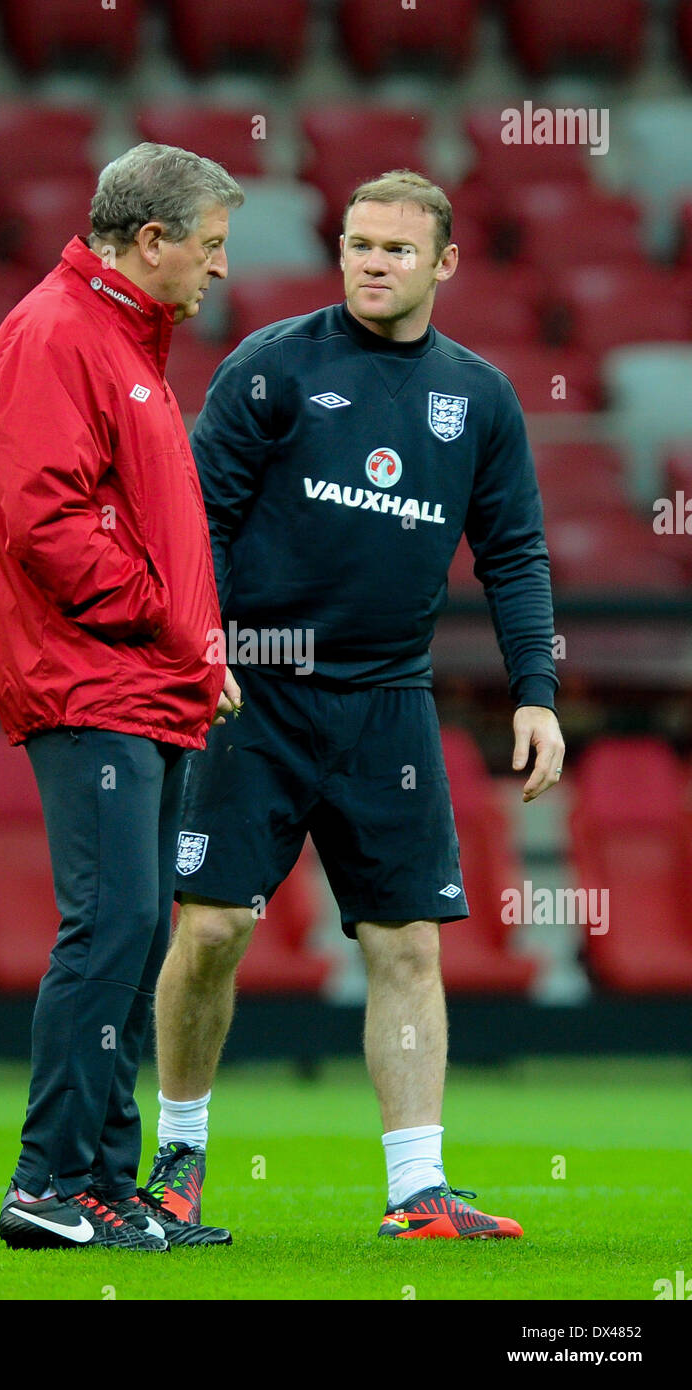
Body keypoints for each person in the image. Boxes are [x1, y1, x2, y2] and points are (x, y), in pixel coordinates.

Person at [145, 169, 565, 1241]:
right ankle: (180, 1155)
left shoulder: (479, 397)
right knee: (214, 927)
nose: (373, 262)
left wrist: (537, 694)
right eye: (358, 243)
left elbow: (513, 553)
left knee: (408, 944)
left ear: (445, 263)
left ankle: (416, 1189)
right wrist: (205, 654)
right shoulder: (272, 367)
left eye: (397, 249)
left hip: (388, 702)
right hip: (259, 688)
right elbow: (200, 526)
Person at [0, 143, 244, 1252]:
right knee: (115, 923)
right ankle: (46, 1180)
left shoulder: (120, 336)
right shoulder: (56, 335)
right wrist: (182, 629)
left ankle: (104, 1181)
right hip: (89, 679)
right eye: (211, 246)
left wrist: (190, 652)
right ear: (151, 242)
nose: (220, 270)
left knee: (134, 937)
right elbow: (52, 528)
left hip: (141, 680)